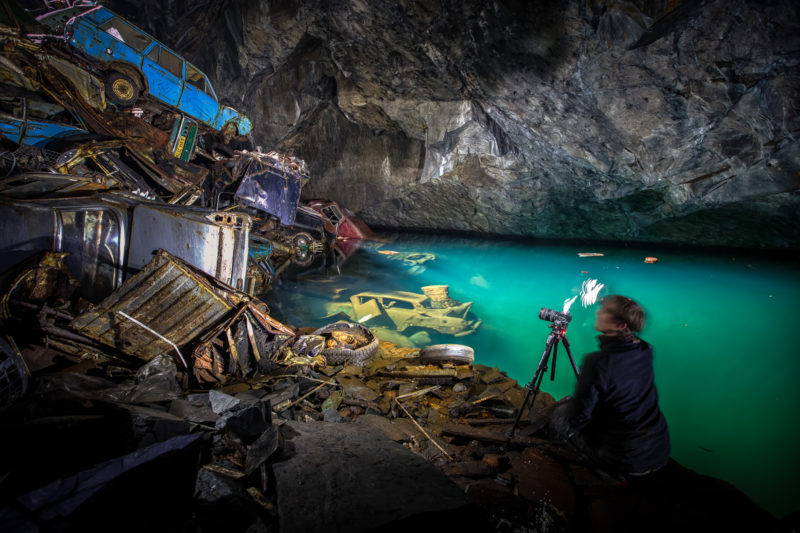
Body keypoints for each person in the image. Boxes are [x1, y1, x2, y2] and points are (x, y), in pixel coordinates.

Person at [550, 294, 670, 478]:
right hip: (658, 448)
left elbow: (579, 418)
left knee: (559, 416)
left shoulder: (597, 363)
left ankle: (603, 473)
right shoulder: (645, 349)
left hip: (624, 458)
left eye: (605, 311)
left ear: (620, 325)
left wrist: (570, 412)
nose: (598, 312)